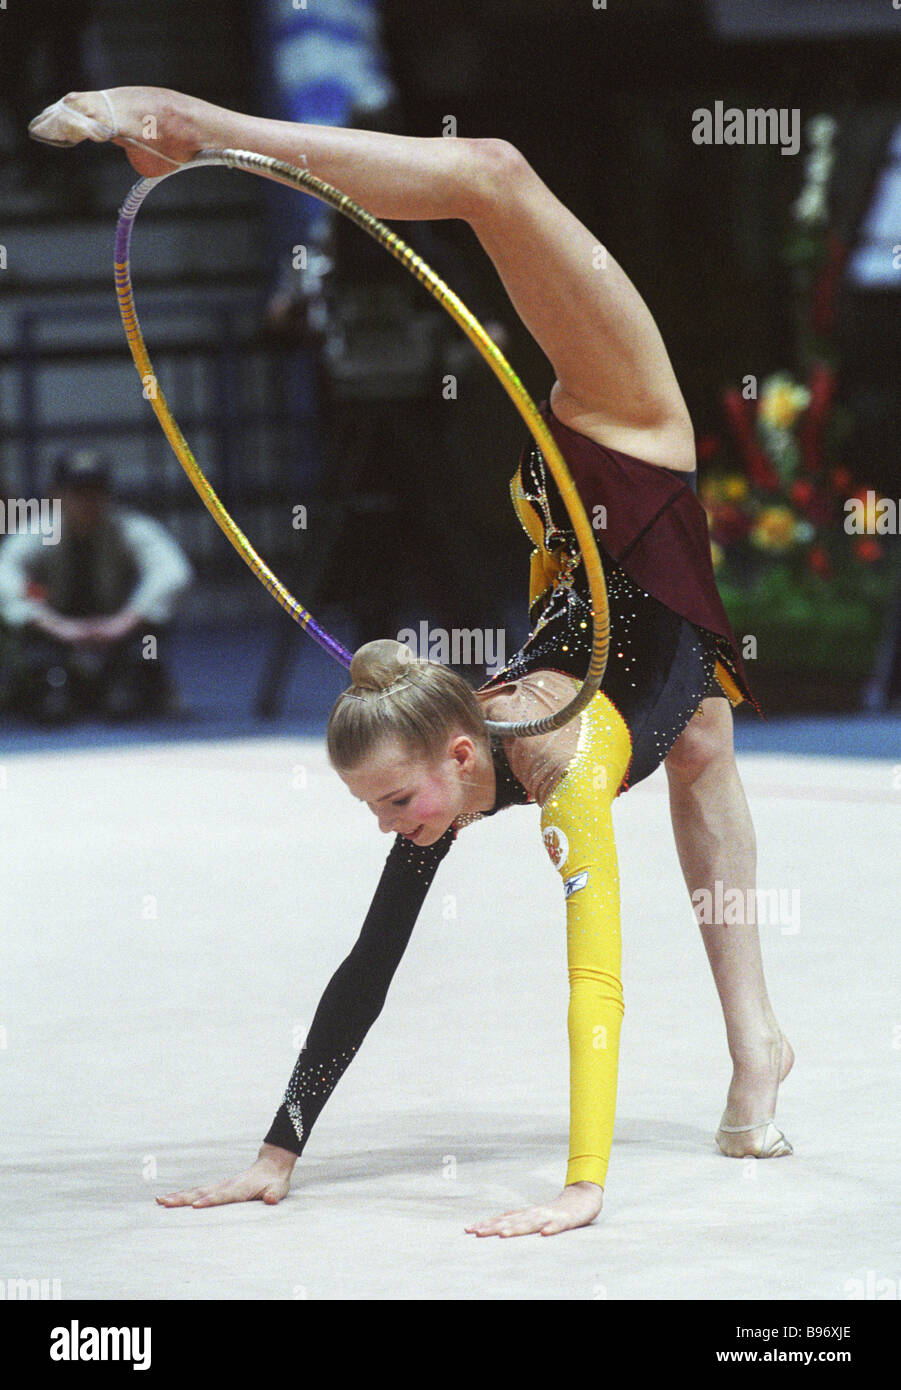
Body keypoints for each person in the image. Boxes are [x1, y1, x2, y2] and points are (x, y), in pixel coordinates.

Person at [28, 88, 794, 1237]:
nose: (389, 825)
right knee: (699, 738)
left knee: (489, 171)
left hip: (619, 443)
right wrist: (275, 1152)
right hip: (594, 532)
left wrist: (581, 1188)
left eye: (390, 801)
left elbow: (596, 978)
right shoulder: (459, 776)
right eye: (381, 808)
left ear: (454, 748)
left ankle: (192, 123)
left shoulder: (540, 759)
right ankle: (760, 1048)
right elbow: (368, 966)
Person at [0, 448, 193, 724]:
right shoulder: (42, 532)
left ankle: (146, 676)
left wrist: (127, 619)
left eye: (96, 491)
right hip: (55, 634)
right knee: (36, 667)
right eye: (77, 493)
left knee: (150, 643)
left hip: (119, 632)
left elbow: (173, 572)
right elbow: (5, 573)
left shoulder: (128, 528)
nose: (87, 502)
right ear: (57, 496)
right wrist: (51, 623)